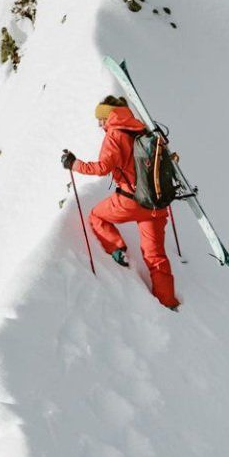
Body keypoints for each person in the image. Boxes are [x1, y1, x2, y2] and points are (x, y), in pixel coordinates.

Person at [62, 96, 180, 310]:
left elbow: (102, 168)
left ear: (109, 116)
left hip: (130, 201)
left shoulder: (115, 135)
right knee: (156, 257)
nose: (100, 124)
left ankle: (118, 251)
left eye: (101, 119)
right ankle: (169, 302)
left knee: (96, 216)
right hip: (156, 203)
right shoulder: (143, 129)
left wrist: (74, 164)